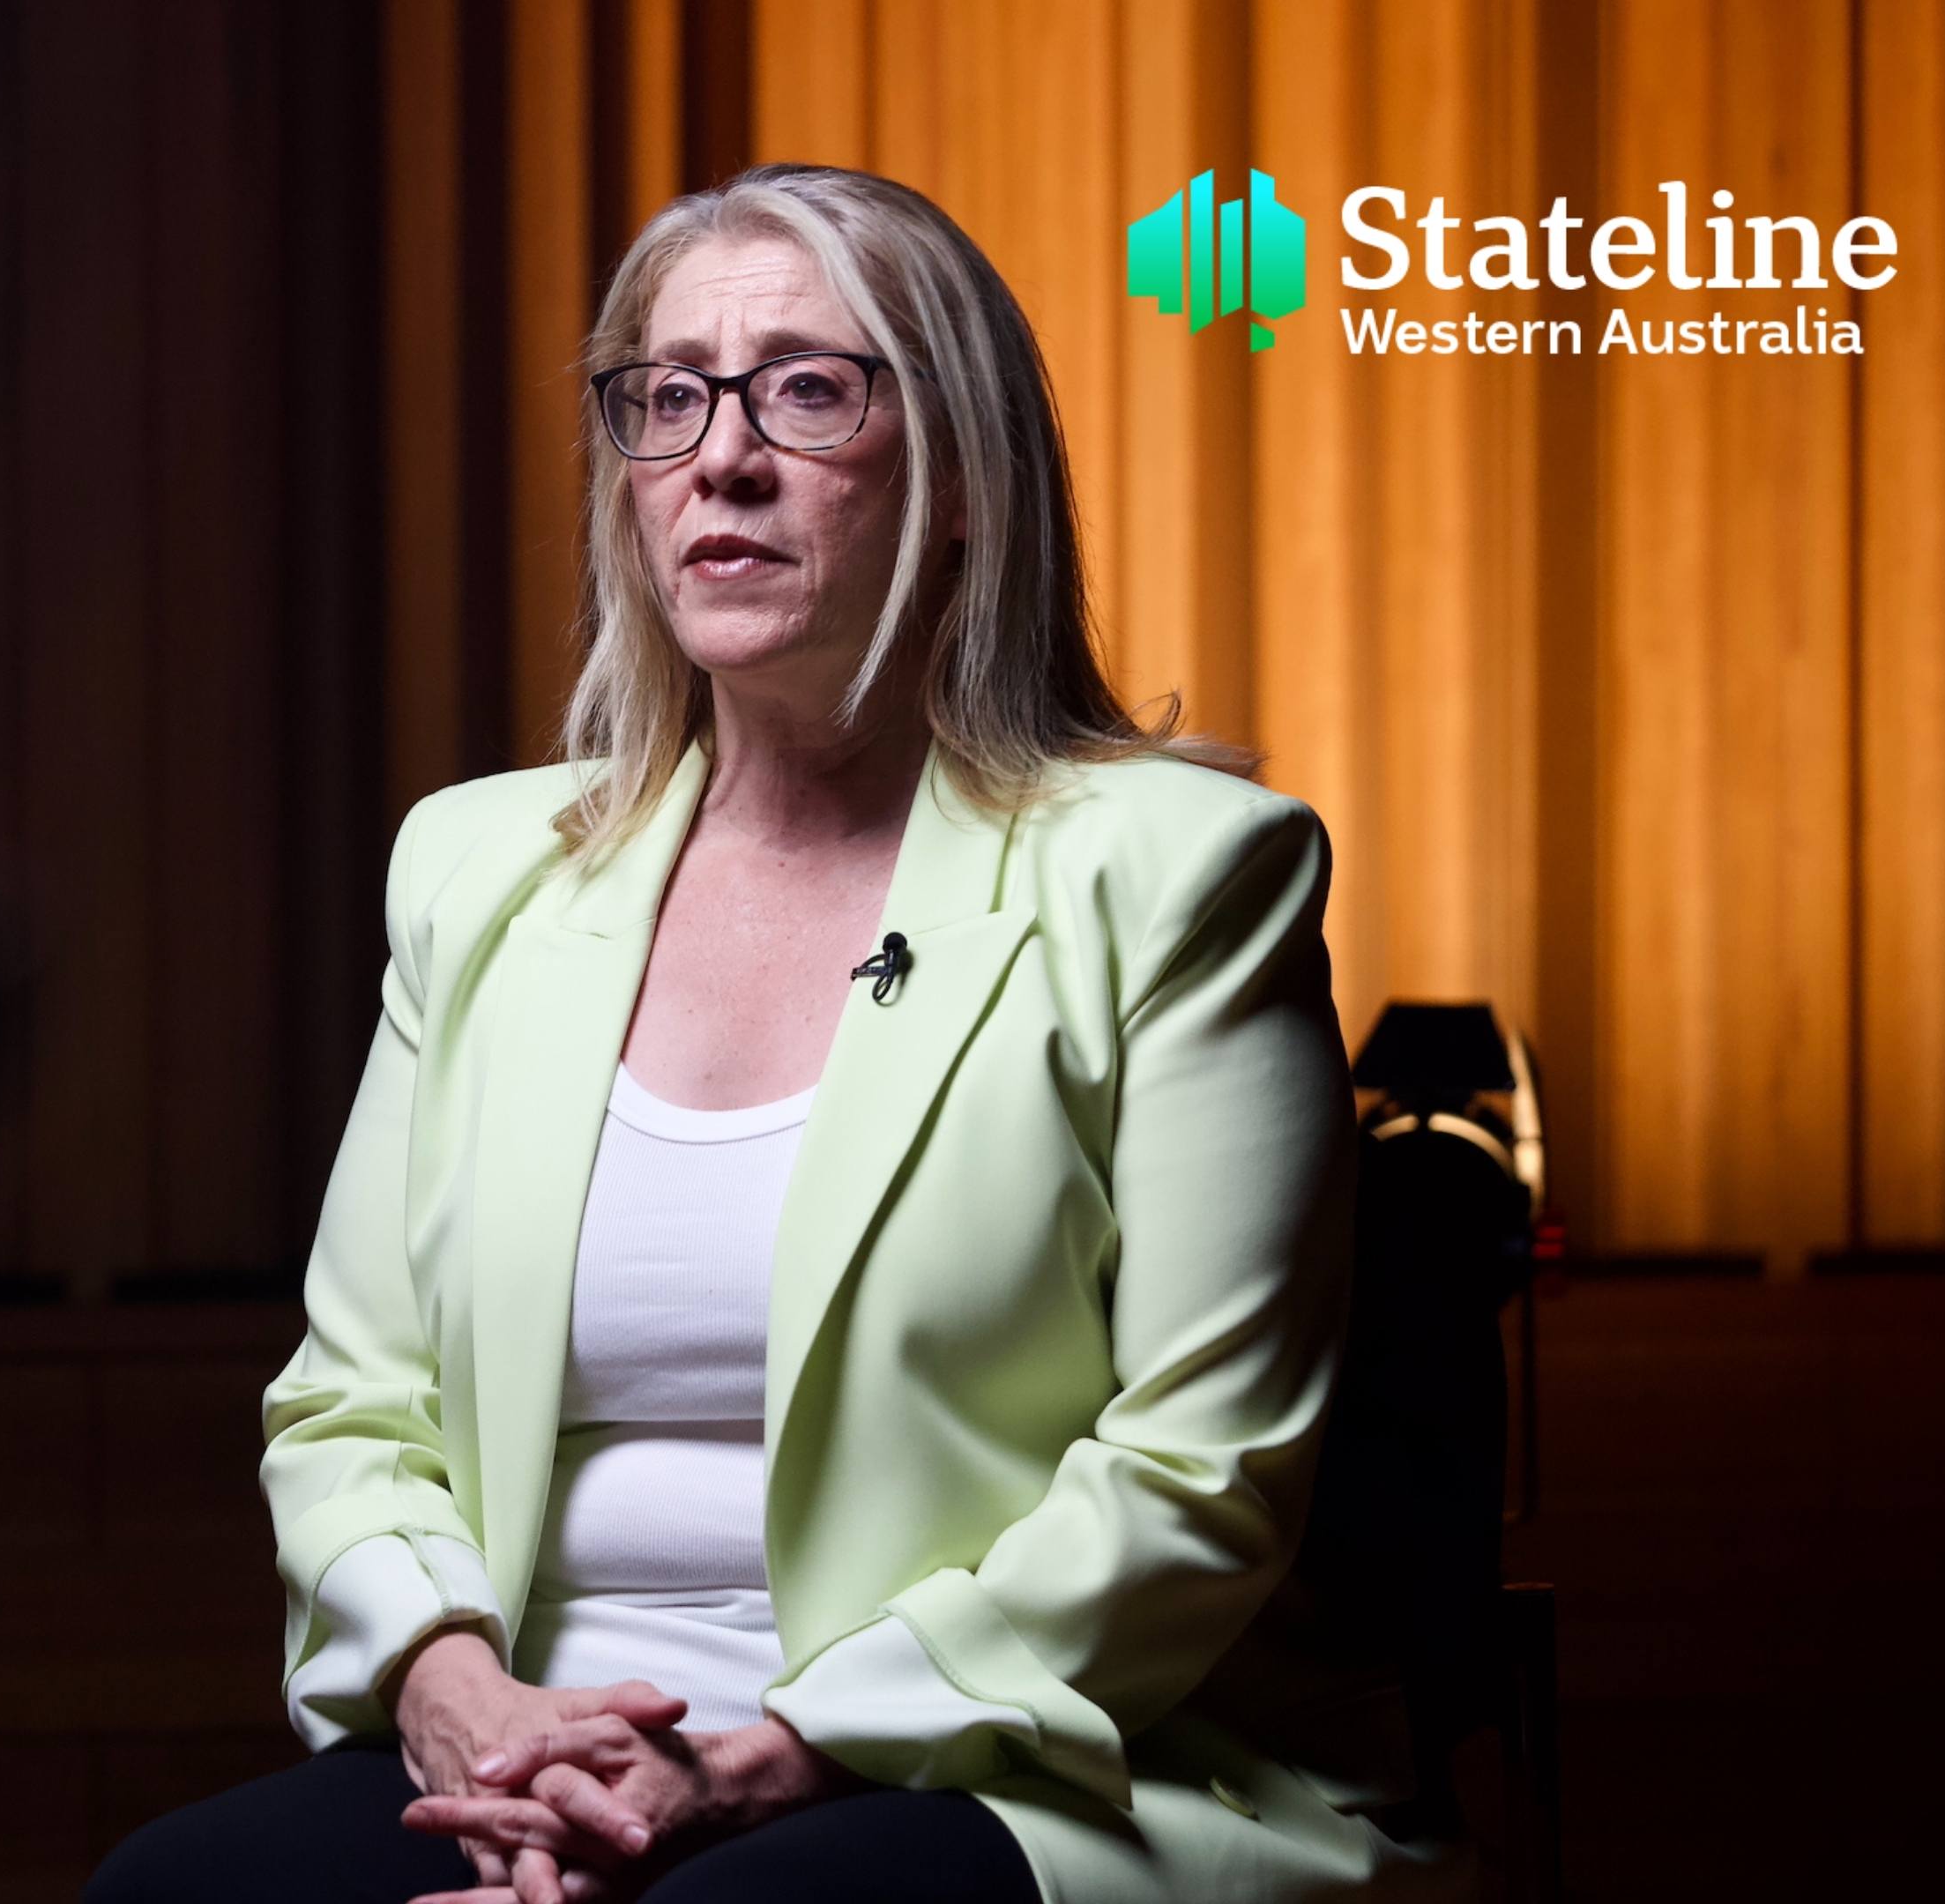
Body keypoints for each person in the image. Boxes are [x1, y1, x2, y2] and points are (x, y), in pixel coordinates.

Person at [89, 165, 1472, 1903]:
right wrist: (472, 1712)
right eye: (668, 398)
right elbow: (354, 1411)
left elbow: (1200, 1471)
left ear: (966, 475)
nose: (718, 456)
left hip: (1005, 1758)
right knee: (176, 1896)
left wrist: (758, 1763)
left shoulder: (1185, 875)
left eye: (808, 388)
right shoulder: (480, 869)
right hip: (537, 1743)